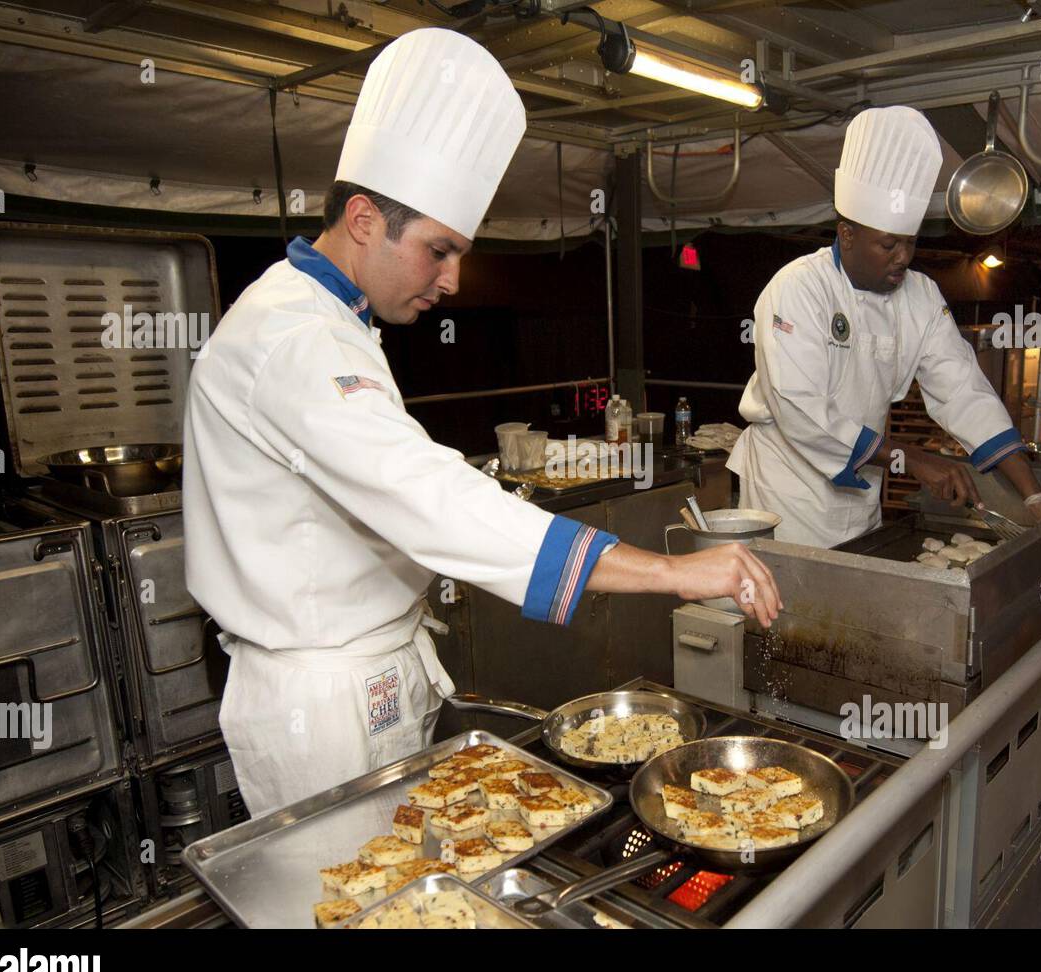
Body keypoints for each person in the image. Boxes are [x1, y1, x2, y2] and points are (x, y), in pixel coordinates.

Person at [183, 28, 780, 816]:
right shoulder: (293, 337)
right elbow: (427, 496)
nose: (454, 280)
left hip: (368, 673)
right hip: (320, 705)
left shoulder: (335, 318)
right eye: (439, 251)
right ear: (363, 219)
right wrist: (671, 571)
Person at [727, 106, 1041, 548]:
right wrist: (913, 459)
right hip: (789, 495)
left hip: (861, 485)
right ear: (846, 234)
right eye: (888, 243)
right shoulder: (798, 289)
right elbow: (800, 410)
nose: (903, 256)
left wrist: (1035, 496)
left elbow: (963, 390)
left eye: (911, 241)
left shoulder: (919, 295)